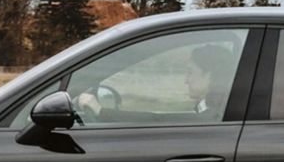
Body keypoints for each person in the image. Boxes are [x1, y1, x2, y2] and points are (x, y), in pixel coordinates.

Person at [75, 43, 234, 121]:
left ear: (211, 75)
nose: (186, 80)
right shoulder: (214, 109)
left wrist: (100, 111)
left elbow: (159, 121)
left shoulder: (213, 115)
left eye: (191, 72)